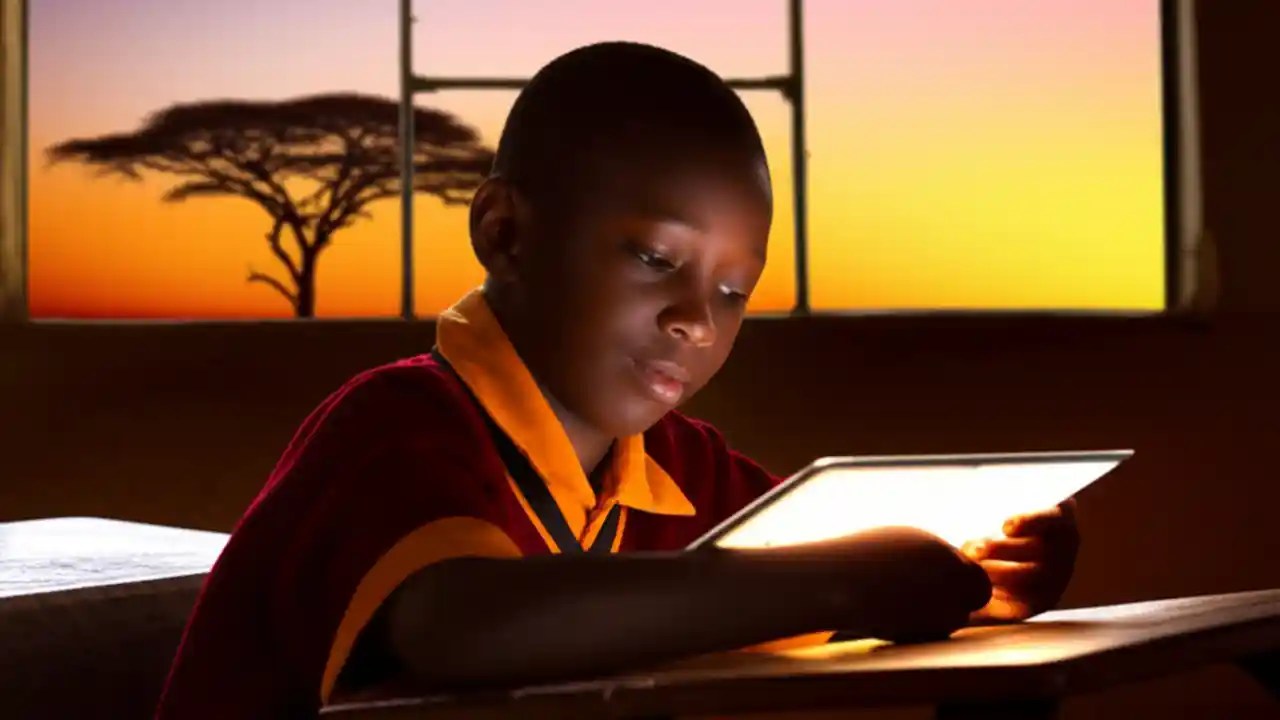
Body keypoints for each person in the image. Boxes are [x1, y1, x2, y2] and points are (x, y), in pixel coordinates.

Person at [153, 41, 1078, 719]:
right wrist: (843, 583)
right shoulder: (397, 428)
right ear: (505, 234)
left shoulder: (680, 466)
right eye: (652, 258)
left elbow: (797, 574)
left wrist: (982, 572)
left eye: (732, 290)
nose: (698, 320)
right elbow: (460, 627)